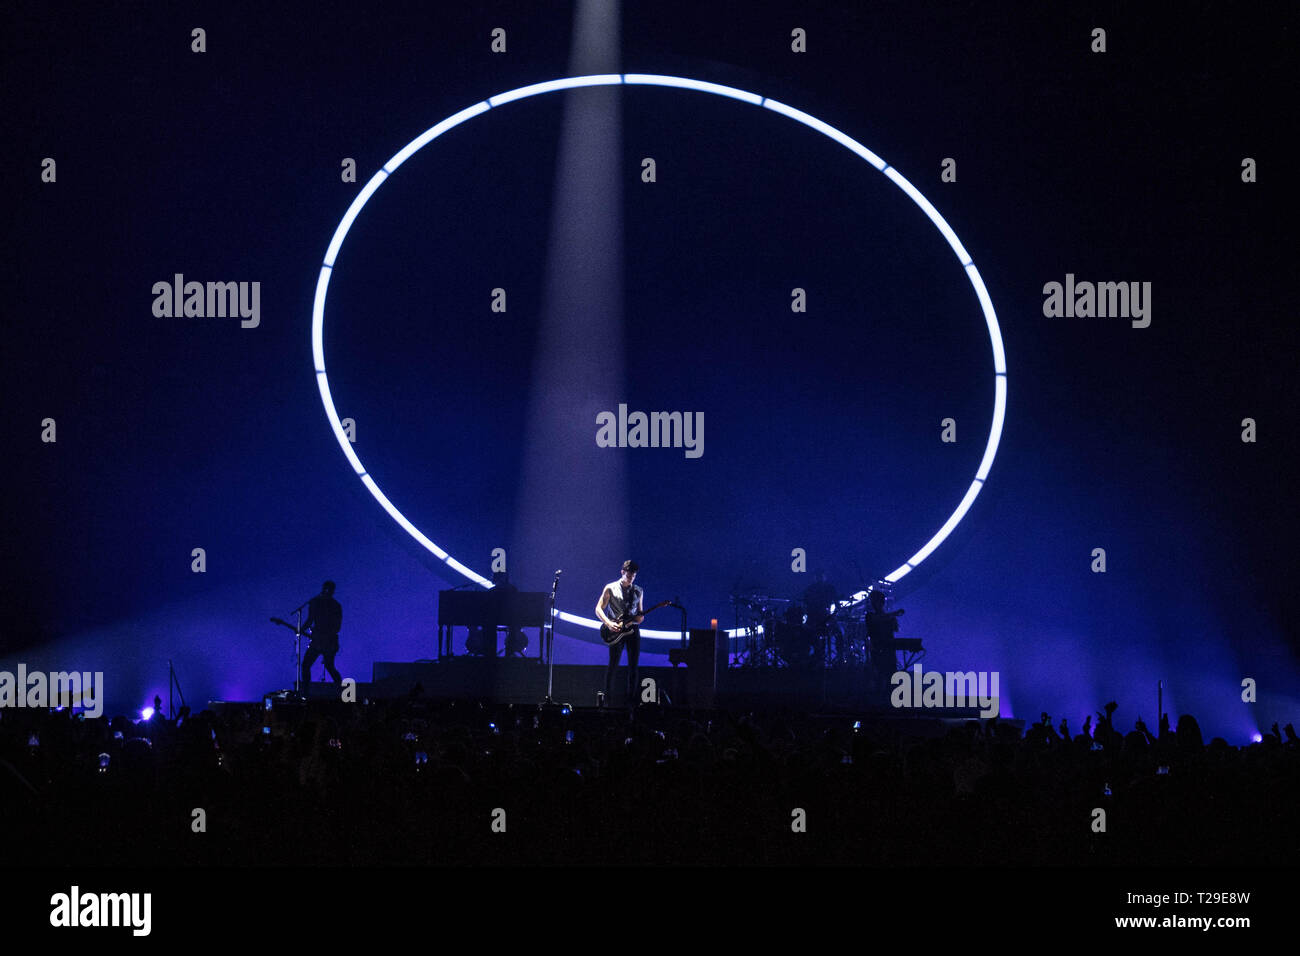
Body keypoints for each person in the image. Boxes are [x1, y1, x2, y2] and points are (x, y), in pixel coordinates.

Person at [595, 560, 644, 713]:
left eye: (634, 576)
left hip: (632, 630)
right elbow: (598, 609)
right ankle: (608, 699)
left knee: (633, 666)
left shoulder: (638, 591)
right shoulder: (610, 588)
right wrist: (609, 623)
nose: (631, 578)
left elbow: (640, 614)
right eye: (629, 575)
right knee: (613, 664)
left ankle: (631, 702)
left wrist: (639, 618)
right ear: (622, 572)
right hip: (615, 630)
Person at [302, 580, 343, 687]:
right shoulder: (317, 603)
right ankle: (307, 693)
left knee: (329, 666)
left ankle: (343, 692)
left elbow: (337, 627)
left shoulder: (335, 606)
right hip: (321, 641)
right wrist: (302, 629)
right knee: (307, 665)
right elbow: (310, 620)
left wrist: (323, 635)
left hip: (328, 641)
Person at [864, 589, 900, 701]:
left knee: (890, 673)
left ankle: (889, 697)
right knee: (879, 673)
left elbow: (896, 629)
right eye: (872, 601)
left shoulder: (887, 616)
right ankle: (879, 697)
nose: (873, 603)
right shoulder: (870, 615)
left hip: (889, 647)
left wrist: (892, 618)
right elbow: (875, 620)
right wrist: (893, 615)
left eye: (874, 601)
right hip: (877, 647)